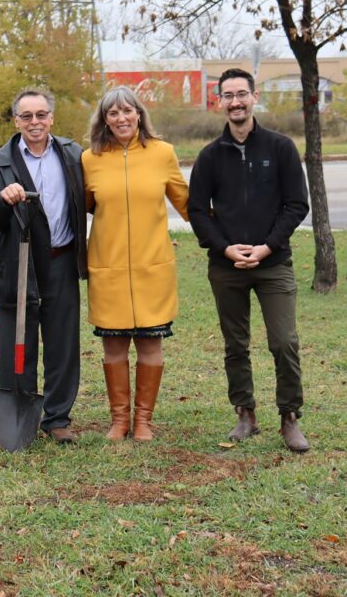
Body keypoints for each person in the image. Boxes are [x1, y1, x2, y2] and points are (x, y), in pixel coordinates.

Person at [188, 68, 312, 453]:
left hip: (272, 263)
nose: (236, 102)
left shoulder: (280, 148)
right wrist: (225, 248)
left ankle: (289, 417)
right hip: (226, 267)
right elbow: (197, 211)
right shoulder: (209, 156)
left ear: (254, 97)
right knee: (235, 344)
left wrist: (266, 247)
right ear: (220, 101)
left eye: (242, 94)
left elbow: (297, 204)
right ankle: (245, 413)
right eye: (228, 95)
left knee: (284, 341)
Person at [0, 88, 88, 444]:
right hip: (18, 265)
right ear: (16, 121)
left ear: (51, 117)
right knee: (18, 343)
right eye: (26, 116)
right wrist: (1, 199)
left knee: (63, 344)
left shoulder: (73, 155)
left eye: (41, 115)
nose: (34, 122)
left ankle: (57, 418)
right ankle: (21, 415)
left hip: (61, 261)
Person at [81, 86, 189, 442]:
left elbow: (188, 204)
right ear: (104, 120)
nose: (121, 118)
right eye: (113, 113)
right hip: (108, 269)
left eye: (127, 110)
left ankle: (143, 420)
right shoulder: (90, 159)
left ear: (139, 114)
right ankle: (119, 420)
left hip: (152, 268)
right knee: (113, 346)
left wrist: (229, 231)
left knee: (150, 345)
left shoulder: (162, 153)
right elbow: (78, 207)